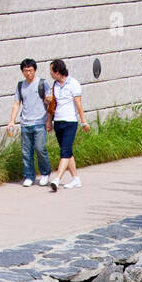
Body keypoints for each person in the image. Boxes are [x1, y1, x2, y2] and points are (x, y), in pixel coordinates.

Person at [6, 58, 51, 188]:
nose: (28, 73)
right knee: (26, 151)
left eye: (30, 70)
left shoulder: (42, 83)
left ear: (35, 70)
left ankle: (45, 173)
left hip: (39, 122)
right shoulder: (20, 85)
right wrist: (12, 121)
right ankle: (29, 176)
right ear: (22, 71)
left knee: (39, 148)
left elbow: (50, 103)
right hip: (25, 123)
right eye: (25, 71)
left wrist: (49, 121)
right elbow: (16, 103)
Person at [47, 59, 89, 191]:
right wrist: (49, 121)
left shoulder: (73, 84)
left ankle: (57, 179)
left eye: (51, 71)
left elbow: (78, 104)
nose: (50, 74)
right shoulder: (55, 85)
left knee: (64, 152)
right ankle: (76, 179)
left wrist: (83, 122)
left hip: (70, 122)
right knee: (67, 151)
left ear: (57, 71)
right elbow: (53, 105)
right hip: (58, 121)